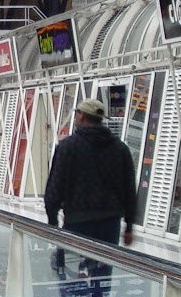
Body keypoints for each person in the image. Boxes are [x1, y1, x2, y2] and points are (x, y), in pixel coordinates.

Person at [45, 98, 137, 250]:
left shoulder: (67, 147)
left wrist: (52, 222)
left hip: (77, 221)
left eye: (77, 114)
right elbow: (129, 190)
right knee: (103, 269)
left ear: (81, 115)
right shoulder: (120, 149)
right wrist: (129, 226)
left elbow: (55, 186)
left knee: (73, 269)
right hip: (110, 224)